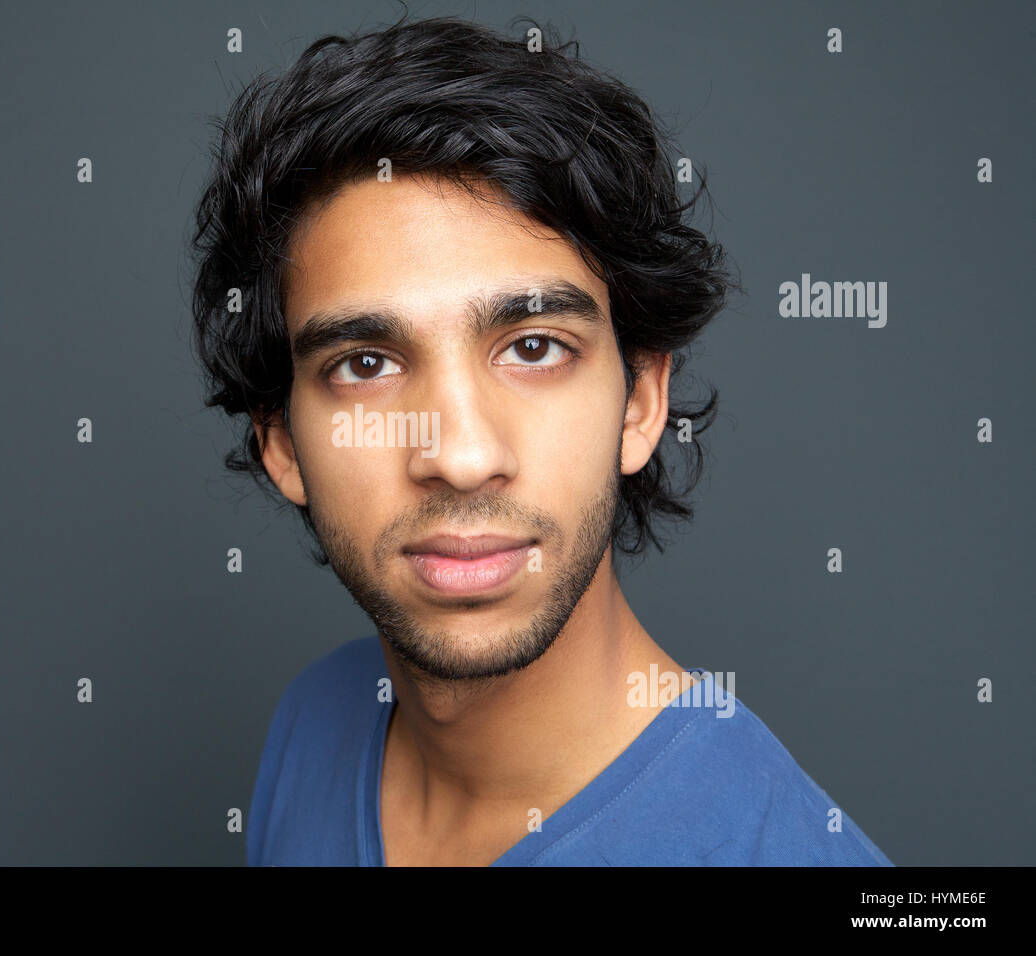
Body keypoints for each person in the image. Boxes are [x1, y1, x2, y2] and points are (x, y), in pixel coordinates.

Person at [190, 15, 892, 866]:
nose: (460, 454)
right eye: (366, 363)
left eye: (534, 349)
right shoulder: (314, 721)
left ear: (639, 402)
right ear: (282, 442)